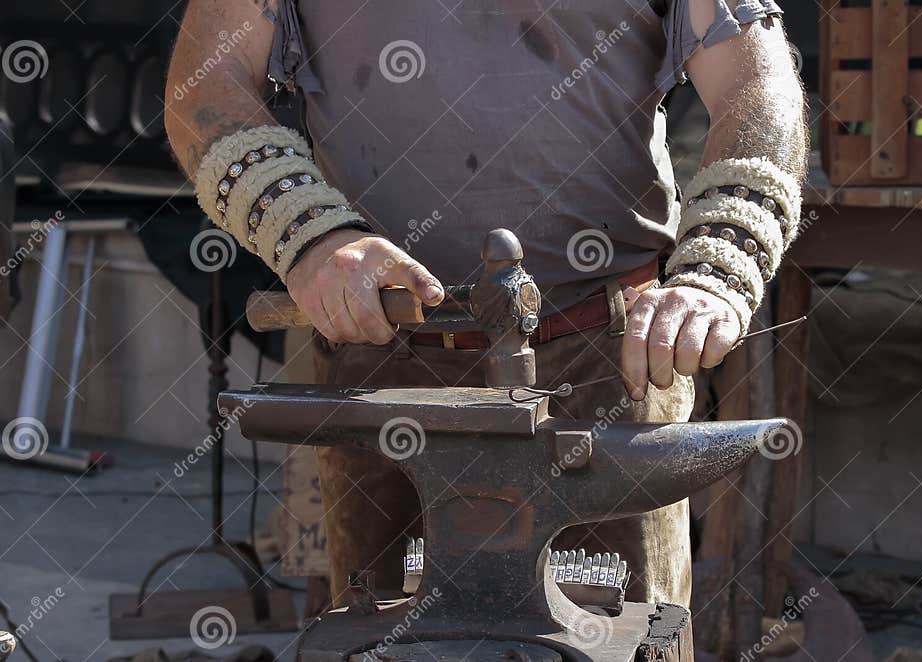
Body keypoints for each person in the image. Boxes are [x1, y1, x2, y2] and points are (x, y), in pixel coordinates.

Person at [165, 0, 808, 611]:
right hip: (379, 362)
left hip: (608, 361)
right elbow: (206, 88)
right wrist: (311, 236)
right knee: (380, 633)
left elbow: (755, 85)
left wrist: (718, 265)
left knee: (630, 631)